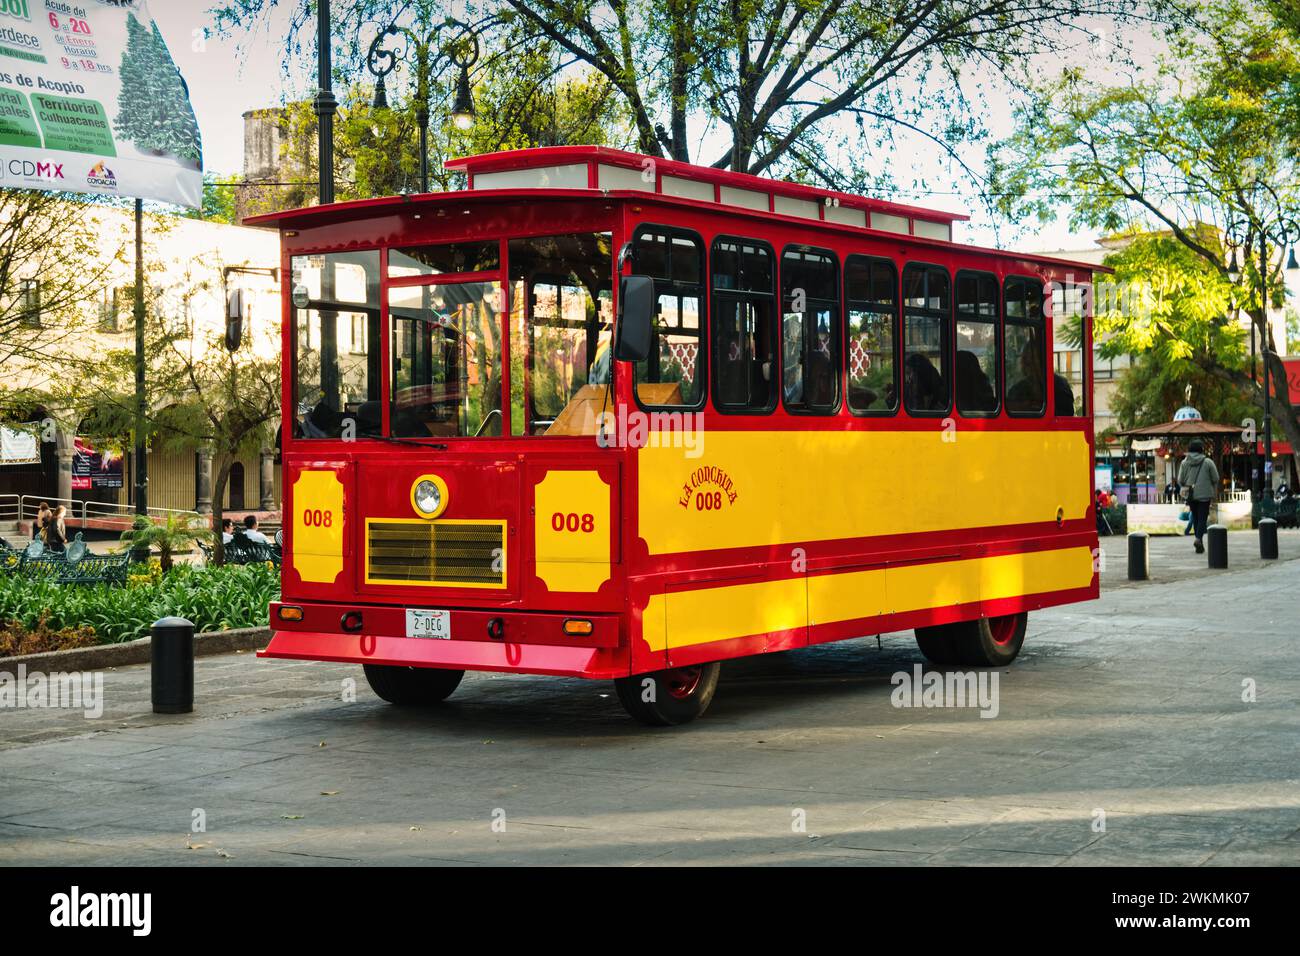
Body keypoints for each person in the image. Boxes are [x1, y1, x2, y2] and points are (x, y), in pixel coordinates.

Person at [1177, 440, 1220, 554]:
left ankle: (1198, 541)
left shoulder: (1184, 462)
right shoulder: (1208, 462)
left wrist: (1188, 484)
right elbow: (1216, 478)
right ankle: (1198, 539)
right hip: (1205, 494)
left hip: (1190, 495)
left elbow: (1180, 480)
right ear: (1201, 450)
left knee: (1195, 517)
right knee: (1202, 518)